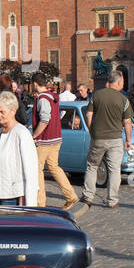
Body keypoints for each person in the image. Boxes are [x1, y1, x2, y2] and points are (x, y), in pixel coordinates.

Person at [81, 71, 133, 208]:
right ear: (119, 82)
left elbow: (88, 115)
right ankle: (112, 200)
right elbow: (127, 122)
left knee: (92, 166)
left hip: (98, 137)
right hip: (115, 139)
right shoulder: (123, 99)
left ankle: (88, 197)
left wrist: (92, 131)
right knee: (114, 170)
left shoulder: (96, 95)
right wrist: (128, 140)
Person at [30, 75, 78, 211]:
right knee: (54, 168)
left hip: (45, 140)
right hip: (56, 138)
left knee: (37, 170)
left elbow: (45, 119)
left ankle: (40, 203)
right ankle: (71, 195)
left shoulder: (43, 99)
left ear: (35, 84)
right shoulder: (53, 97)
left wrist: (34, 135)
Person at [0, 91, 38, 206]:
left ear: (13, 111)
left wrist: (29, 204)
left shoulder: (21, 133)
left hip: (14, 198)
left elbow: (30, 171)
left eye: (2, 112)